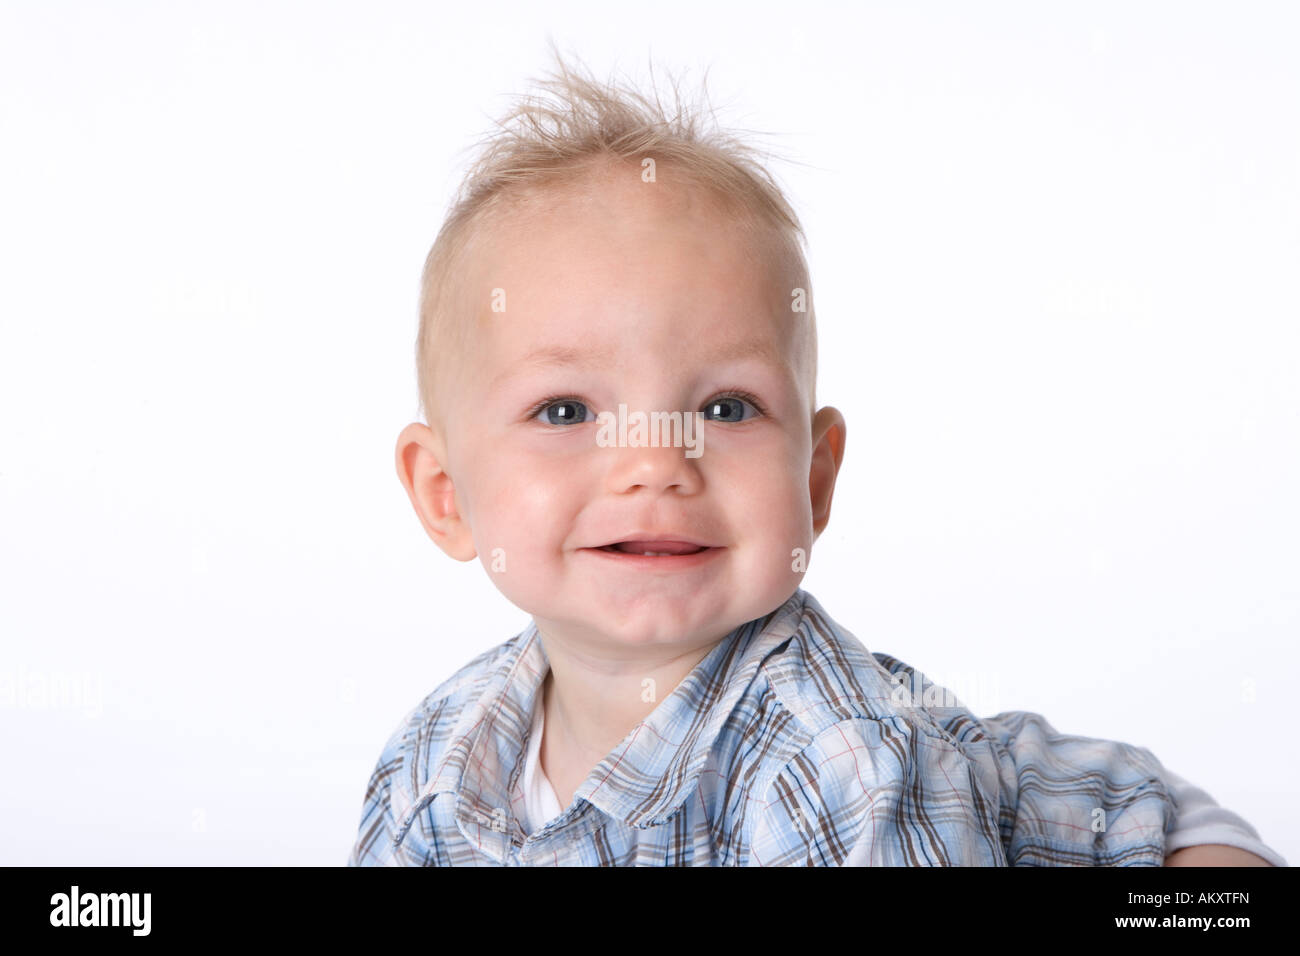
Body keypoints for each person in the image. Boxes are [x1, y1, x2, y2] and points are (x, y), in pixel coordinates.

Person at [348, 53, 1283, 866]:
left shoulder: (832, 761)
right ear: (445, 496)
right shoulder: (439, 762)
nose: (655, 465)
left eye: (726, 407)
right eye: (566, 410)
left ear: (814, 477)